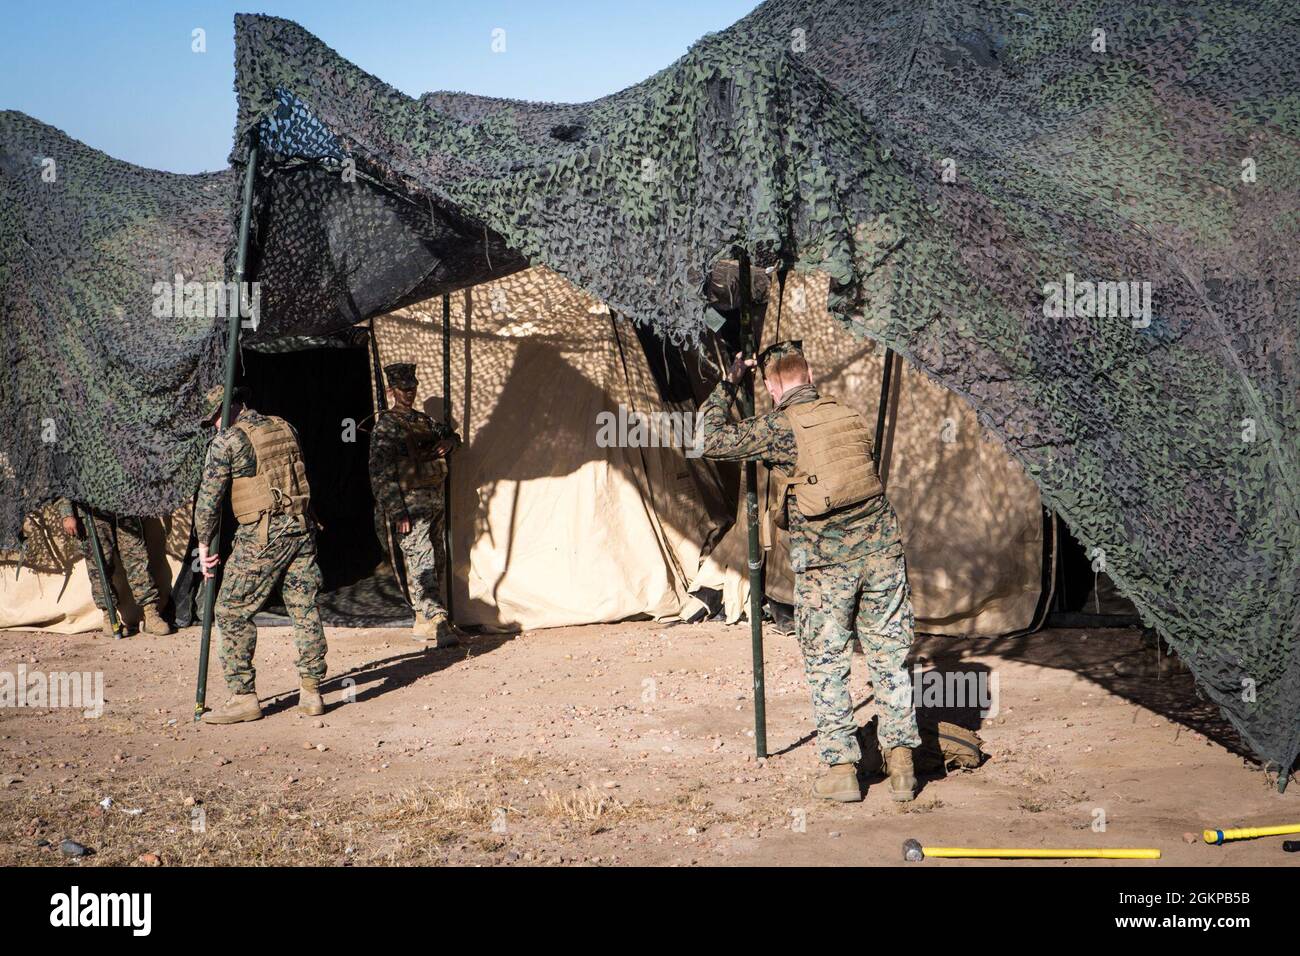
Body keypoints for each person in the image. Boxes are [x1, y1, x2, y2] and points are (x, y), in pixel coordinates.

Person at [699, 340, 920, 803]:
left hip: (825, 565)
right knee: (890, 659)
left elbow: (708, 438)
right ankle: (902, 766)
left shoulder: (779, 425)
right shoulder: (849, 414)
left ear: (771, 386)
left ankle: (842, 771)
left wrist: (728, 383)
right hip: (883, 554)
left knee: (828, 663)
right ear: (811, 372)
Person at [194, 384, 327, 724]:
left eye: (213, 419)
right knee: (304, 606)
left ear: (224, 411)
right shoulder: (285, 426)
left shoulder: (228, 441)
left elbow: (209, 500)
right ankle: (312, 692)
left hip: (263, 535)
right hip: (301, 527)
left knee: (230, 610)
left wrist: (204, 545)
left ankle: (243, 698)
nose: (213, 426)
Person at [368, 362, 461, 646]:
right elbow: (379, 473)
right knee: (423, 562)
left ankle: (422, 619)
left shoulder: (423, 421)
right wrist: (397, 512)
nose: (409, 393)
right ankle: (438, 621)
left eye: (412, 388)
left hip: (433, 503)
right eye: (403, 389)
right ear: (391, 390)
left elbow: (451, 436)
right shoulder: (386, 426)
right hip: (409, 507)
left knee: (439, 559)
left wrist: (450, 442)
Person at [58, 500, 173, 636]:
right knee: (99, 564)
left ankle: (150, 613)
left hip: (125, 504)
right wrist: (67, 514)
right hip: (92, 510)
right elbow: (64, 480)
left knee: (137, 559)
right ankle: (109, 616)